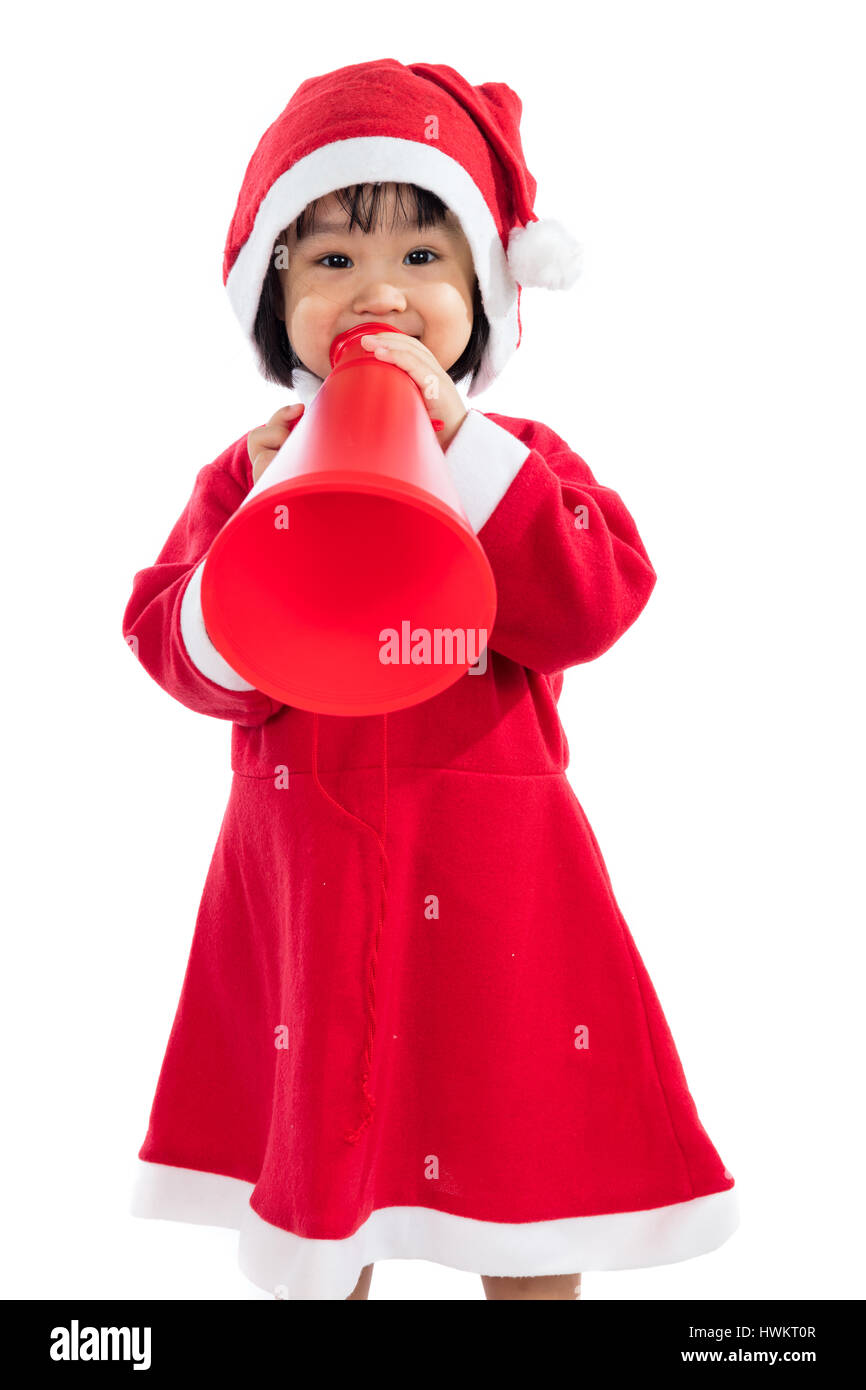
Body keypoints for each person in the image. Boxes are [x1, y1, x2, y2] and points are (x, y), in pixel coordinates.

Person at [123, 58, 739, 1301]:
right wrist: (257, 531)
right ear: (274, 299)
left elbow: (594, 601)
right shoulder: (247, 477)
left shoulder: (515, 461)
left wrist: (463, 454)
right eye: (333, 262)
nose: (379, 297)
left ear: (484, 295)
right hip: (304, 866)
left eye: (421, 261)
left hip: (494, 870)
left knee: (523, 1157)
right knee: (320, 1183)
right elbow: (167, 643)